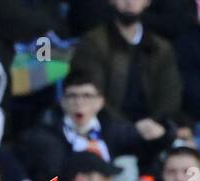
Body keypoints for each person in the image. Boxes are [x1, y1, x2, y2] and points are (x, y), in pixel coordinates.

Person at [70, 0, 183, 167]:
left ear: (147, 2)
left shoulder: (161, 48)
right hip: (109, 132)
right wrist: (131, 129)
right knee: (126, 168)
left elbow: (171, 95)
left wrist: (155, 123)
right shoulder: (92, 44)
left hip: (154, 129)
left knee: (184, 155)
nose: (130, 2)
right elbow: (92, 96)